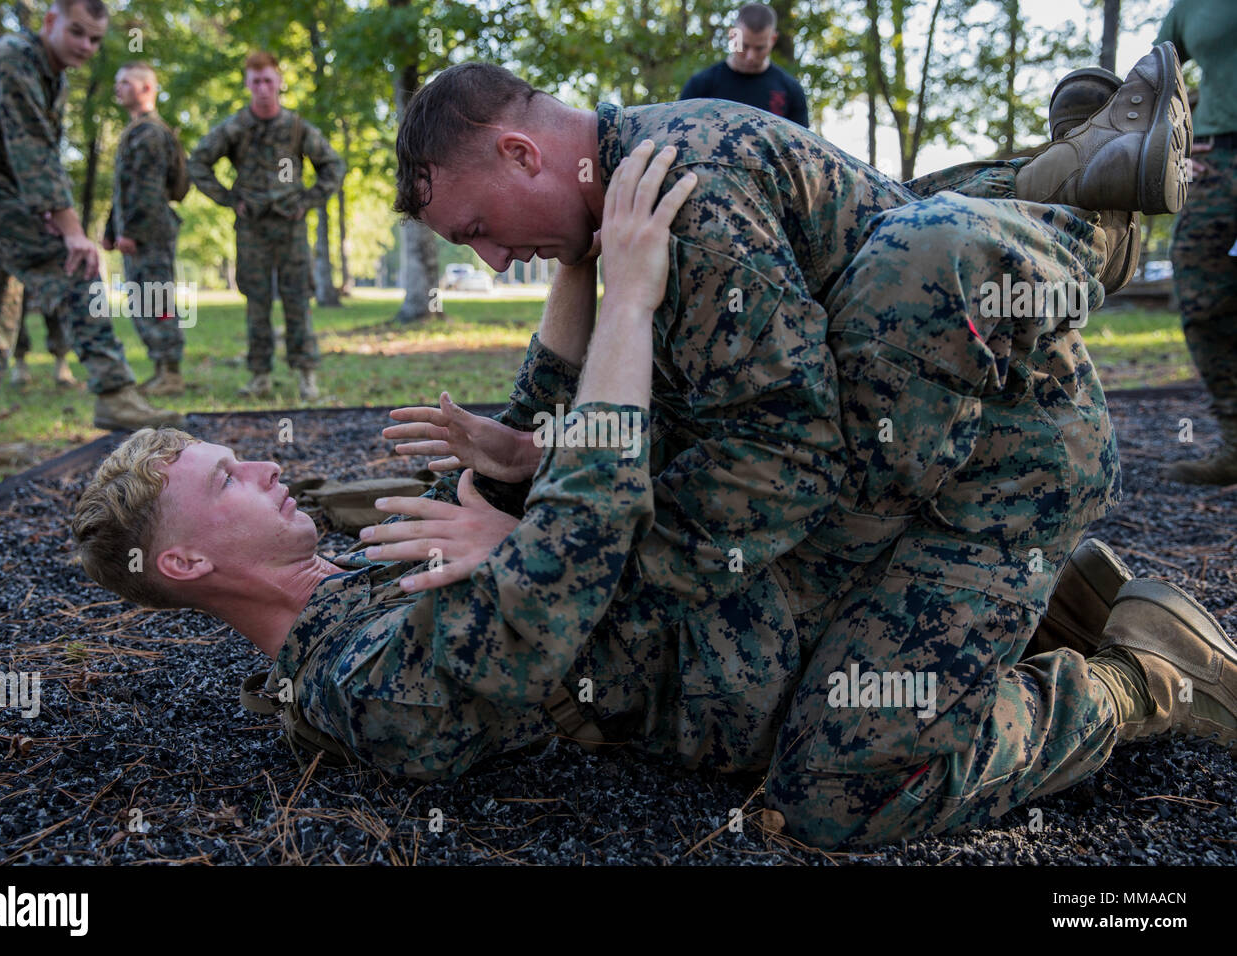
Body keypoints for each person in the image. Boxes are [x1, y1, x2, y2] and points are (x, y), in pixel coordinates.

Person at [73, 139, 1237, 850]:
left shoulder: (356, 536)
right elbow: (569, 558)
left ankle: (1065, 202)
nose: (266, 463)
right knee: (843, 795)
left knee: (802, 311)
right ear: (183, 564)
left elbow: (542, 420)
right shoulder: (357, 682)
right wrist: (623, 296)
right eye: (228, 475)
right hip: (757, 643)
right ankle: (1139, 679)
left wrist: (577, 241)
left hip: (752, 561)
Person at [379, 46, 1209, 848]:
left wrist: (553, 558)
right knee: (764, 648)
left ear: (522, 153)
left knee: (841, 791)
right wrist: (535, 452)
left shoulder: (684, 196)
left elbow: (785, 466)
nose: (490, 262)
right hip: (915, 439)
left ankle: (1138, 678)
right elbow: (697, 411)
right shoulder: (635, 180)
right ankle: (1064, 190)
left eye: (478, 228)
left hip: (995, 474)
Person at [0, 0, 184, 472]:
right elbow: (31, 146)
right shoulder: (15, 55)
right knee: (75, 264)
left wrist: (50, 213)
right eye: (77, 32)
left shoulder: (50, 72)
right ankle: (113, 392)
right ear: (50, 22)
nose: (87, 46)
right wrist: (71, 230)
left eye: (95, 38)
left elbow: (37, 149)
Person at [188, 50, 346, 402]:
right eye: (256, 81)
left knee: (297, 301)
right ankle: (259, 377)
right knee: (256, 303)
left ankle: (307, 379)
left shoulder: (296, 127)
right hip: (252, 228)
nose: (262, 87)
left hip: (290, 227)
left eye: (268, 80)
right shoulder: (235, 127)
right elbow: (198, 162)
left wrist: (306, 201)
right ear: (247, 84)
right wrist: (230, 199)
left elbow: (333, 166)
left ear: (279, 83)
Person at [1156, 0, 1237, 485]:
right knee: (1203, 298)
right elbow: (1156, 76)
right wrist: (1178, 144)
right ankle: (1235, 442)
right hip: (1217, 161)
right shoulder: (1193, 5)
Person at [101, 61, 187, 398]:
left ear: (147, 89)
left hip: (150, 233)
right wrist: (112, 229)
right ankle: (160, 369)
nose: (118, 88)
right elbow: (124, 189)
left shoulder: (150, 133)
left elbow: (148, 189)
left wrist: (132, 232)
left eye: (125, 82)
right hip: (138, 232)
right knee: (141, 300)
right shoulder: (135, 130)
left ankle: (172, 372)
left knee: (157, 299)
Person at [679, 3, 809, 128]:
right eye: (744, 46)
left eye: (759, 48)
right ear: (732, 35)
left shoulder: (791, 91)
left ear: (773, 39)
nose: (750, 56)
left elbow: (801, 147)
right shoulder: (701, 86)